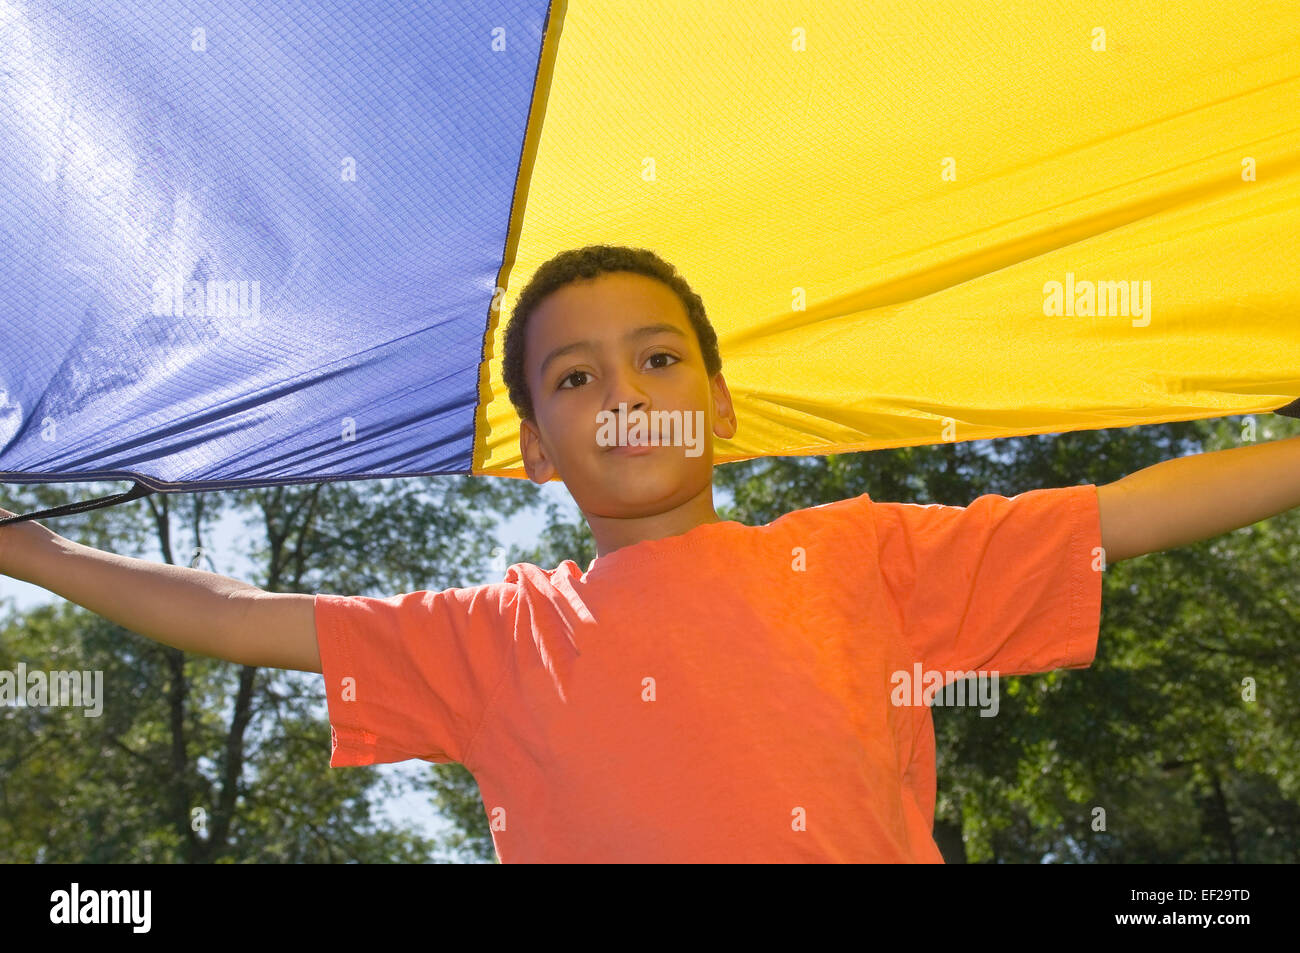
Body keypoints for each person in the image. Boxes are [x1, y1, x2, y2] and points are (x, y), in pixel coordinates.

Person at [3, 244, 1298, 862]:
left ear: (721, 403)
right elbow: (239, 611)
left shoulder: (861, 557)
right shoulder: (490, 634)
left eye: (660, 356)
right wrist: (41, 548)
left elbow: (1117, 512)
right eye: (576, 375)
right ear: (534, 450)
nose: (625, 391)